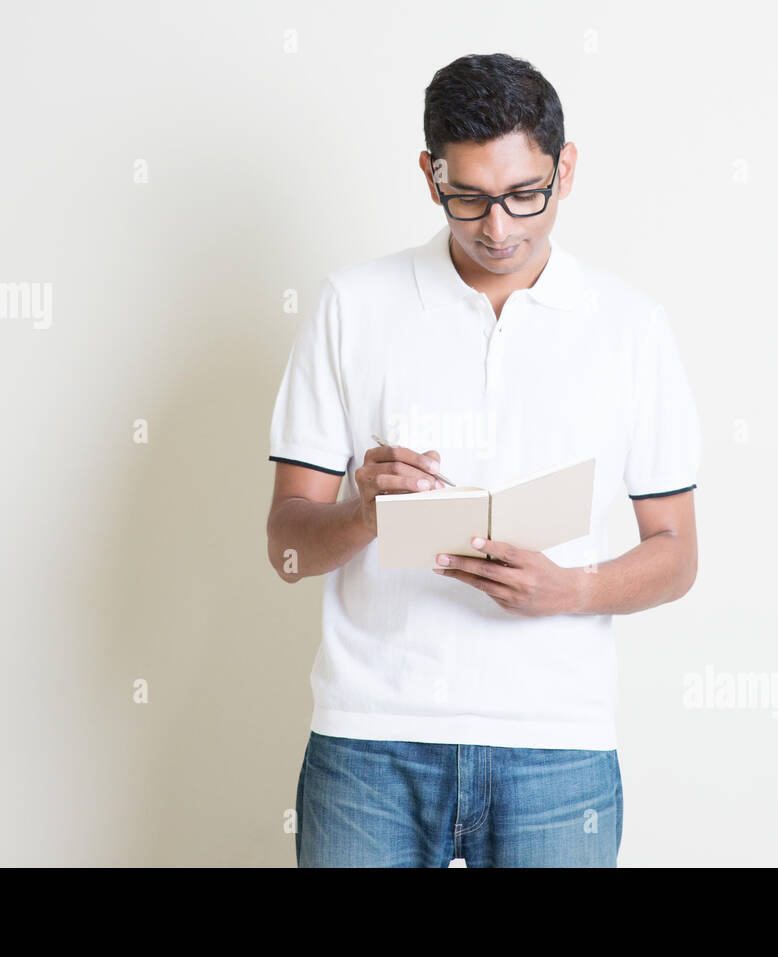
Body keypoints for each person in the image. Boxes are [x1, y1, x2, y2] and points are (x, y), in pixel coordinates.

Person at [266, 52, 701, 867]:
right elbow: (286, 547)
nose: (498, 228)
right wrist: (363, 515)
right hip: (370, 744)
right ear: (429, 175)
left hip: (557, 748)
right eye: (466, 197)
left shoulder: (631, 327)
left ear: (564, 170)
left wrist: (574, 589)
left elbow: (677, 554)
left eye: (522, 195)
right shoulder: (351, 305)